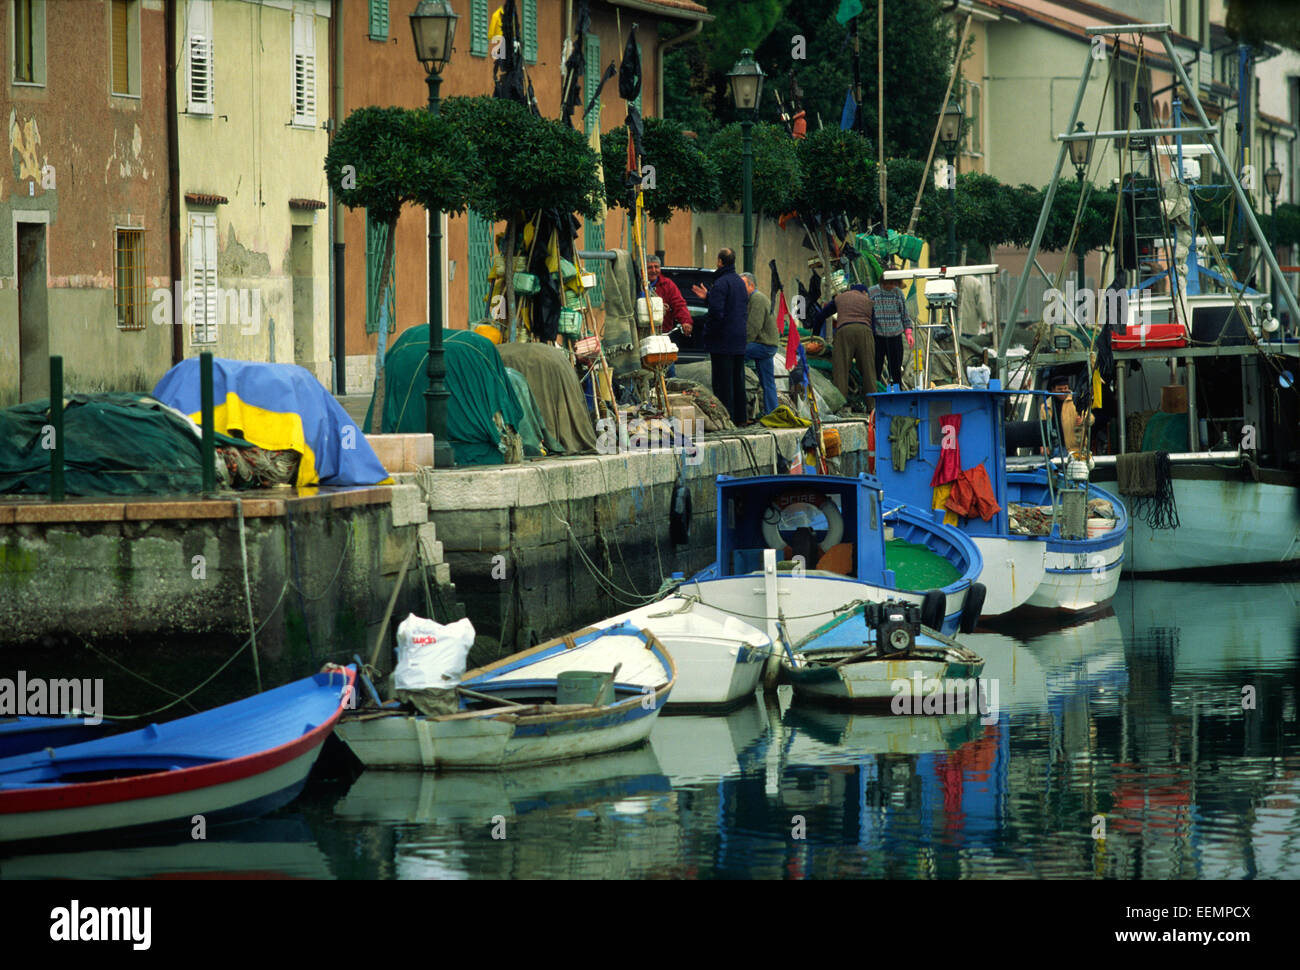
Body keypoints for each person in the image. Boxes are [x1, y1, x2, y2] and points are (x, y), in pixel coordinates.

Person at [691, 249, 749, 426]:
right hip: (739, 340)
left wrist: (709, 332)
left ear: (720, 262)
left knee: (723, 383)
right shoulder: (739, 282)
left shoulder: (721, 283)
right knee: (738, 381)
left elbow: (717, 312)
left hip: (722, 341)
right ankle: (741, 418)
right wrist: (709, 297)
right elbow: (734, 307)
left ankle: (726, 419)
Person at [811, 280, 876, 412]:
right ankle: (873, 407)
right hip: (865, 331)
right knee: (868, 371)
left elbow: (820, 316)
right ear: (863, 292)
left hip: (844, 331)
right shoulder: (869, 301)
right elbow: (874, 327)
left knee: (841, 370)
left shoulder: (840, 298)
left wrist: (815, 337)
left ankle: (840, 407)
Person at [741, 272, 779, 417]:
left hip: (764, 344)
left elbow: (753, 327)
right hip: (768, 344)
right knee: (768, 382)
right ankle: (773, 412)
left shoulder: (757, 299)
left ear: (751, 285)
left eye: (742, 285)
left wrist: (740, 344)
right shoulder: (755, 298)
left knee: (735, 354)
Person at [867, 274, 914, 389]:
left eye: (895, 284)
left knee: (895, 369)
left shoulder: (898, 293)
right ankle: (876, 392)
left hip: (896, 335)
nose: (892, 286)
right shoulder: (872, 292)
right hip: (878, 336)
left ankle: (896, 391)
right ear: (884, 282)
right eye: (891, 284)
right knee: (876, 367)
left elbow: (904, 314)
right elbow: (867, 313)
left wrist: (908, 332)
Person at [1041, 371, 1093, 455]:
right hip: (1054, 448)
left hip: (1074, 448)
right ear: (1052, 390)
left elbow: (1091, 418)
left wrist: (1084, 419)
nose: (1063, 391)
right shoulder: (1045, 406)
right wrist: (1043, 446)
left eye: (1065, 388)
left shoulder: (1076, 401)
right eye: (1060, 389)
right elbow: (1042, 428)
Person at [646, 255, 692, 336]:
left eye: (656, 267)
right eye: (649, 267)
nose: (653, 270)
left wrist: (686, 321)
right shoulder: (637, 285)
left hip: (663, 333)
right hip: (639, 332)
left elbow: (679, 304)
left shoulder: (667, 284)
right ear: (643, 269)